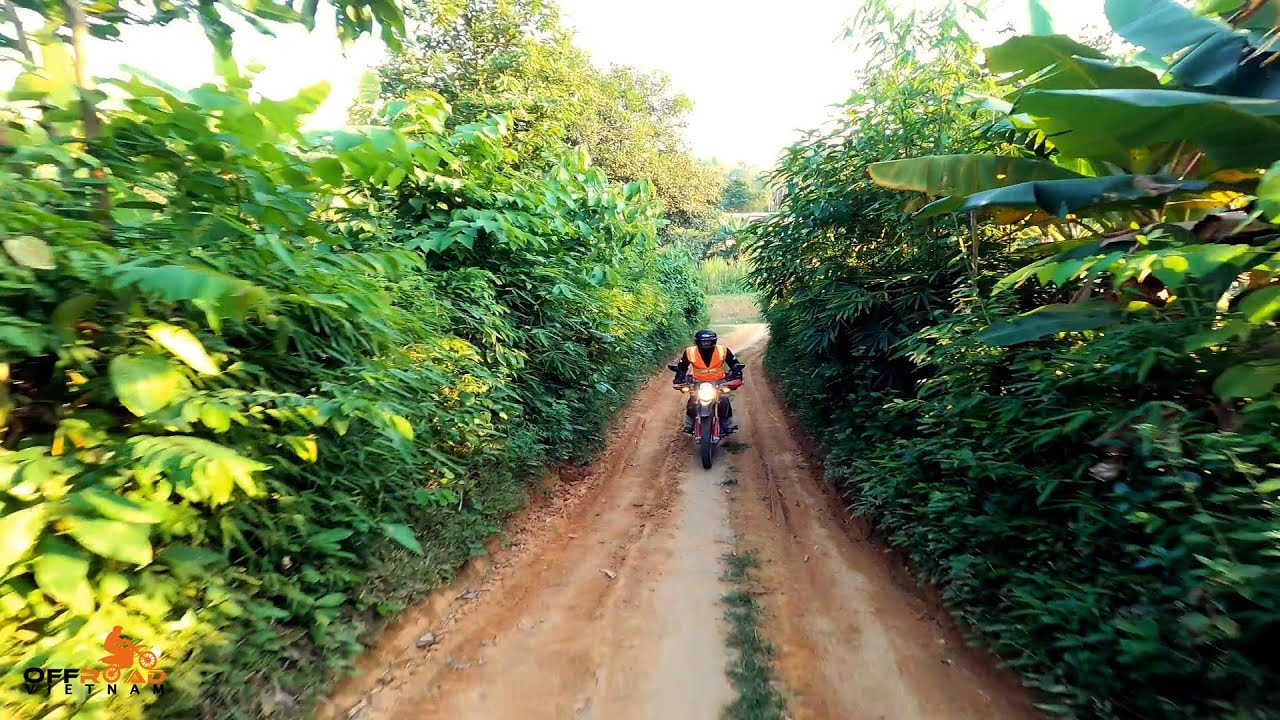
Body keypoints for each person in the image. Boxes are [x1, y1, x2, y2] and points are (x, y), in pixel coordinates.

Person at [672, 329, 744, 434]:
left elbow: (734, 363)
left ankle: (728, 424)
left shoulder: (723, 350)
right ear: (698, 342)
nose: (706, 343)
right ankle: (689, 424)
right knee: (692, 402)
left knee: (723, 402)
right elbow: (682, 367)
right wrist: (679, 376)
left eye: (708, 341)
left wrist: (736, 373)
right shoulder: (690, 351)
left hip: (719, 381)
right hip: (697, 381)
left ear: (714, 341)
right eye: (703, 341)